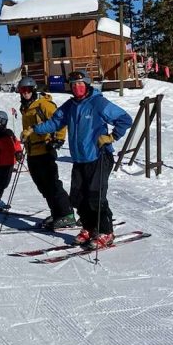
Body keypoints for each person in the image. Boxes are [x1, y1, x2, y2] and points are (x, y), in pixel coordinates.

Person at [26, 70, 132, 249]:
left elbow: (124, 119)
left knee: (95, 196)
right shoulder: (70, 105)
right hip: (80, 158)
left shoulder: (98, 103)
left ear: (87, 84)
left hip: (98, 156)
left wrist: (112, 137)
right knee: (78, 197)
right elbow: (54, 122)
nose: (77, 88)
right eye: (74, 85)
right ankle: (89, 228)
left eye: (80, 84)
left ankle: (105, 231)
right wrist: (34, 129)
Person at [17, 76, 75, 229]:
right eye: (22, 90)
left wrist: (59, 139)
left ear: (34, 90)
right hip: (32, 152)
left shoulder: (44, 105)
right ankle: (57, 213)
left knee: (52, 184)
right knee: (42, 186)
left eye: (28, 90)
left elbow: (60, 121)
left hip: (45, 149)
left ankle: (67, 213)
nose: (25, 93)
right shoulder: (25, 107)